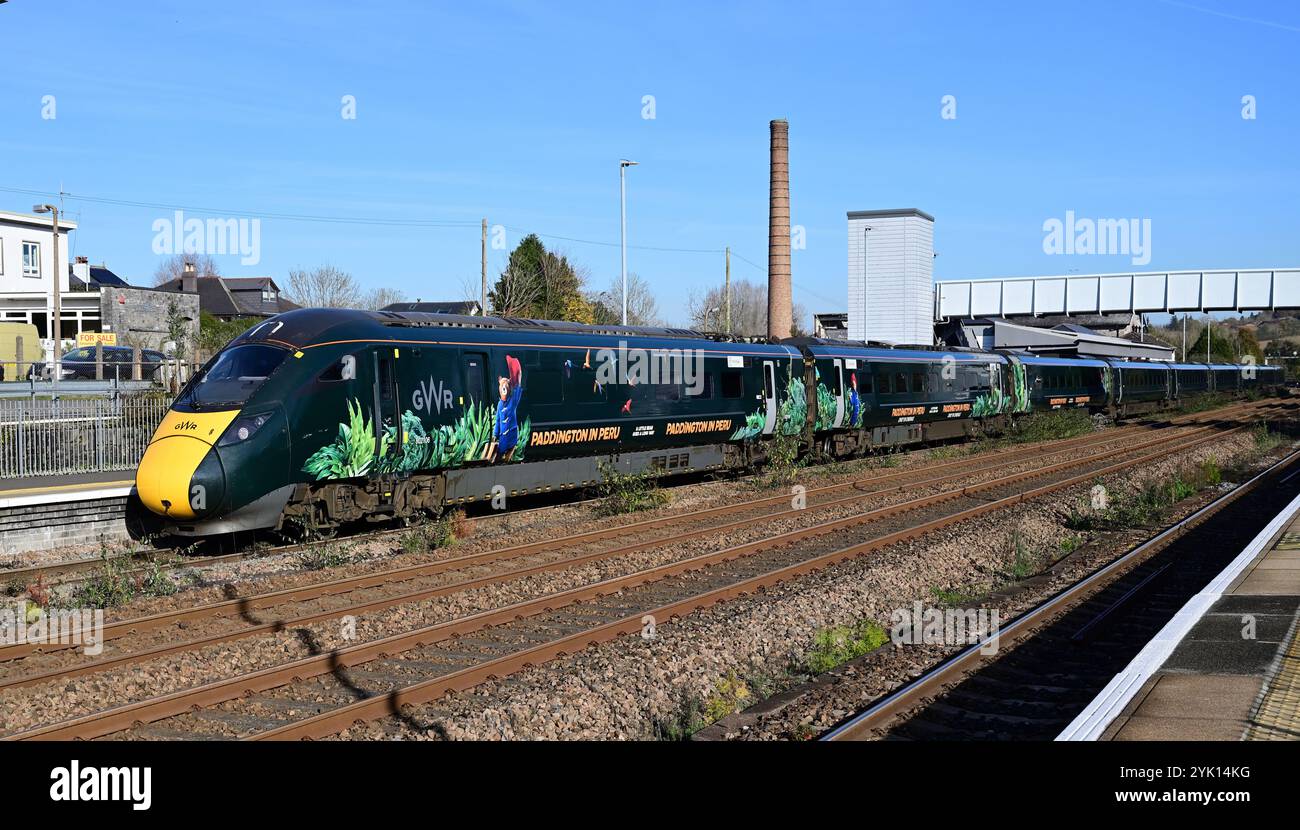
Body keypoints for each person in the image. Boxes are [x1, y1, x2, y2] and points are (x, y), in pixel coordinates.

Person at [492, 354, 523, 461]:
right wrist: (495, 434)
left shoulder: (512, 401)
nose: (504, 389)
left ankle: (507, 458)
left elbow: (517, 391)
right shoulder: (500, 404)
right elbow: (498, 420)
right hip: (503, 436)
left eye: (506, 386)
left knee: (509, 452)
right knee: (500, 453)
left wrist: (517, 381)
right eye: (502, 387)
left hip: (512, 434)